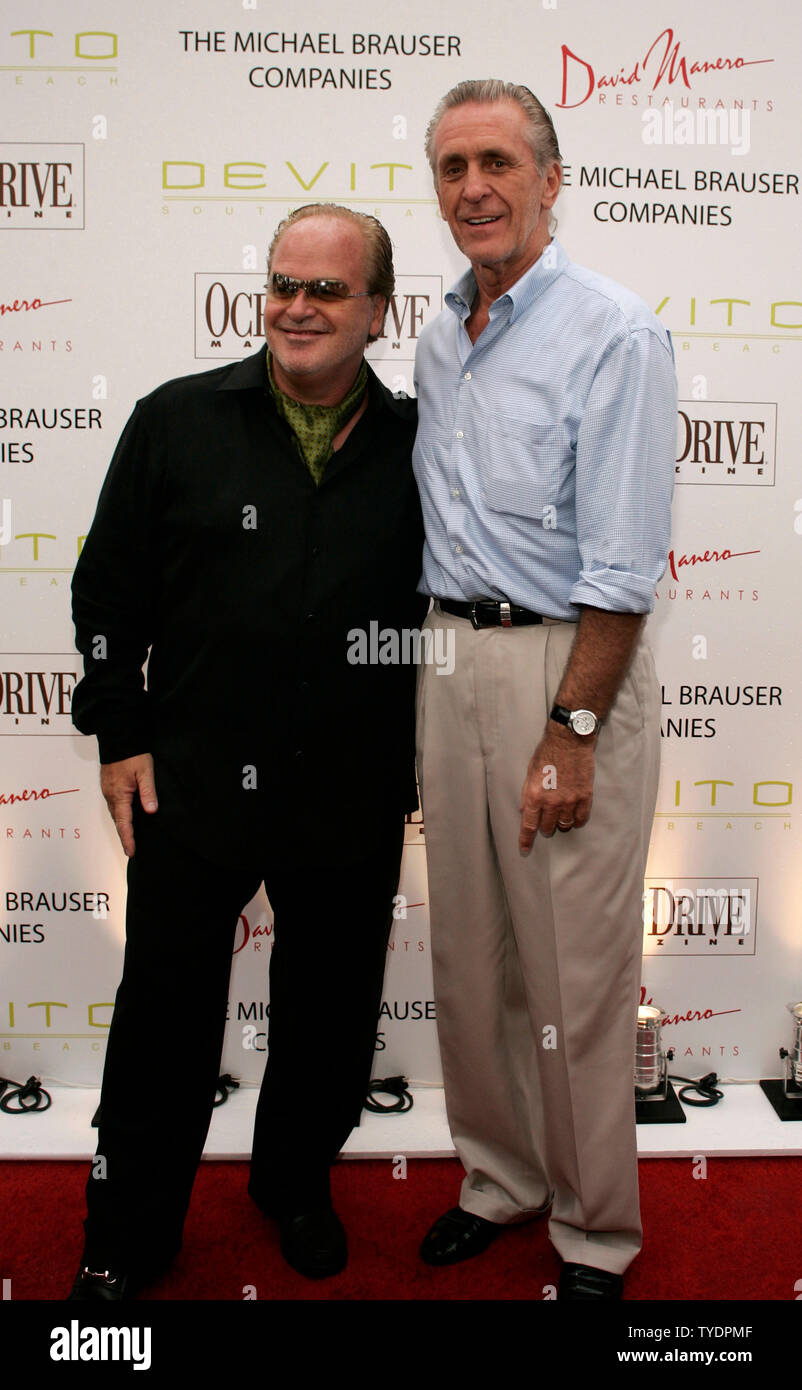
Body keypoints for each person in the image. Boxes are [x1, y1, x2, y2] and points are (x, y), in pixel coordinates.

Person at [69, 203, 427, 1299]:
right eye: (283, 284)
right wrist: (116, 733)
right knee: (163, 1022)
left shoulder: (423, 442)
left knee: (327, 1013)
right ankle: (125, 1235)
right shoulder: (175, 420)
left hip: (350, 789)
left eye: (326, 290)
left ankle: (294, 1184)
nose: (297, 306)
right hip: (192, 778)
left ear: (376, 309)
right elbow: (107, 589)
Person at [413, 80, 676, 1300]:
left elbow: (623, 562)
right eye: (453, 165)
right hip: (447, 658)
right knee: (472, 955)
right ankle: (500, 1178)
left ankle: (593, 1228)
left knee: (572, 968)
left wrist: (569, 731)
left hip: (567, 662)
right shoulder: (433, 335)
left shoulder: (614, 330)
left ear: (552, 178)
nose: (474, 186)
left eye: (498, 162)